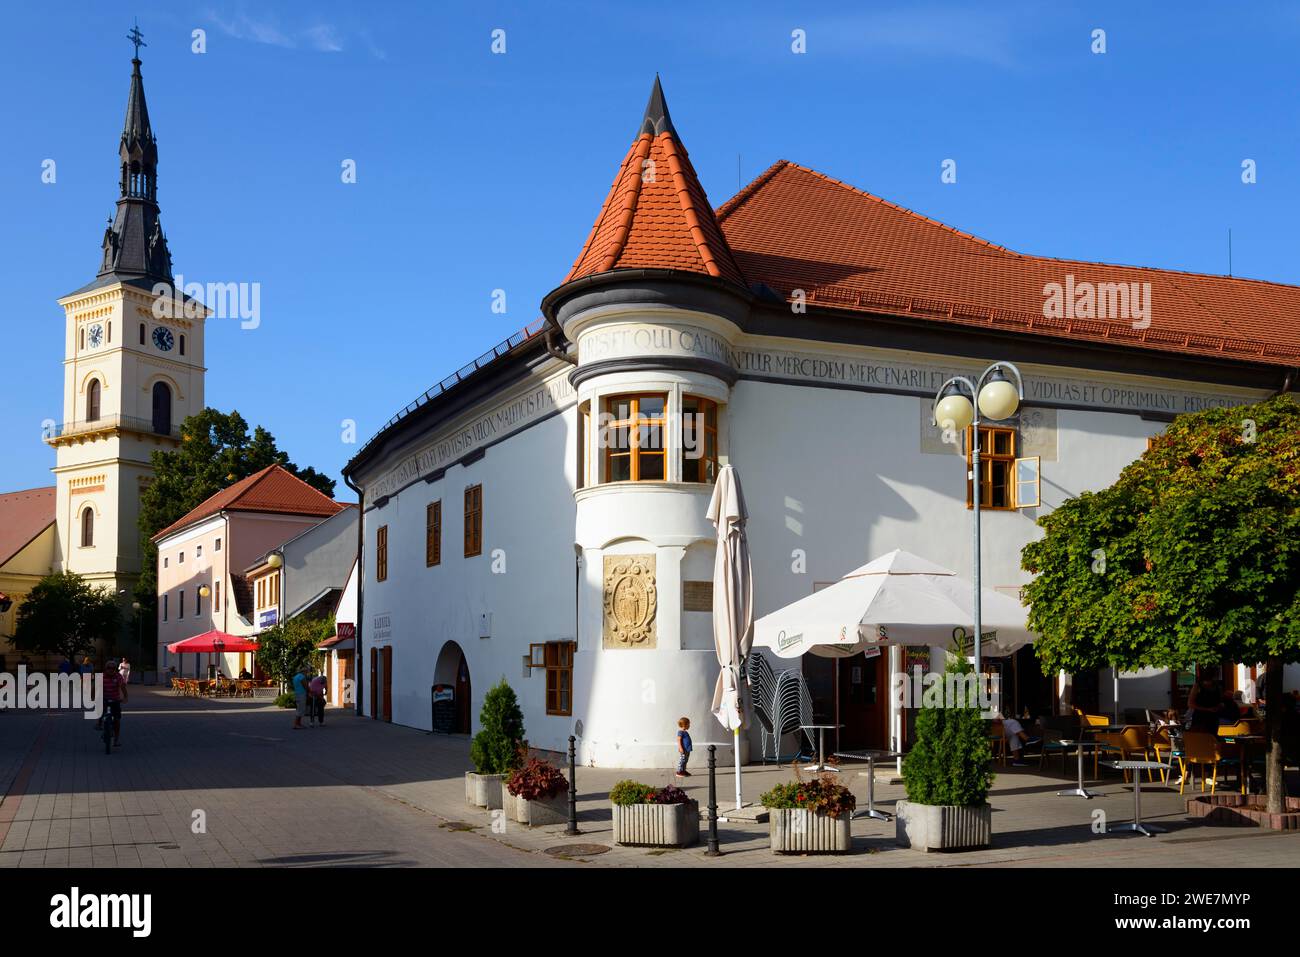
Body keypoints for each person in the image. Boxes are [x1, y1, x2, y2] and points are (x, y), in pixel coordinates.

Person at [101, 661, 128, 747]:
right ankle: (101, 725)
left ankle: (116, 740)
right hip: (104, 699)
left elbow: (123, 687)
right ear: (106, 669)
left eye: (113, 668)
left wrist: (125, 697)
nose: (111, 670)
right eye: (109, 668)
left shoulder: (118, 676)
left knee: (117, 720)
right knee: (101, 713)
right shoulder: (102, 676)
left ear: (115, 669)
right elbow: (95, 687)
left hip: (115, 699)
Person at [291, 665, 310, 730]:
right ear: (304, 671)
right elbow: (305, 686)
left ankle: (299, 723)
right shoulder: (302, 677)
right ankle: (296, 724)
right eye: (306, 672)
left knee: (299, 708)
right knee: (300, 709)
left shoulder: (295, 677)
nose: (307, 673)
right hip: (302, 694)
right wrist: (309, 692)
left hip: (297, 693)